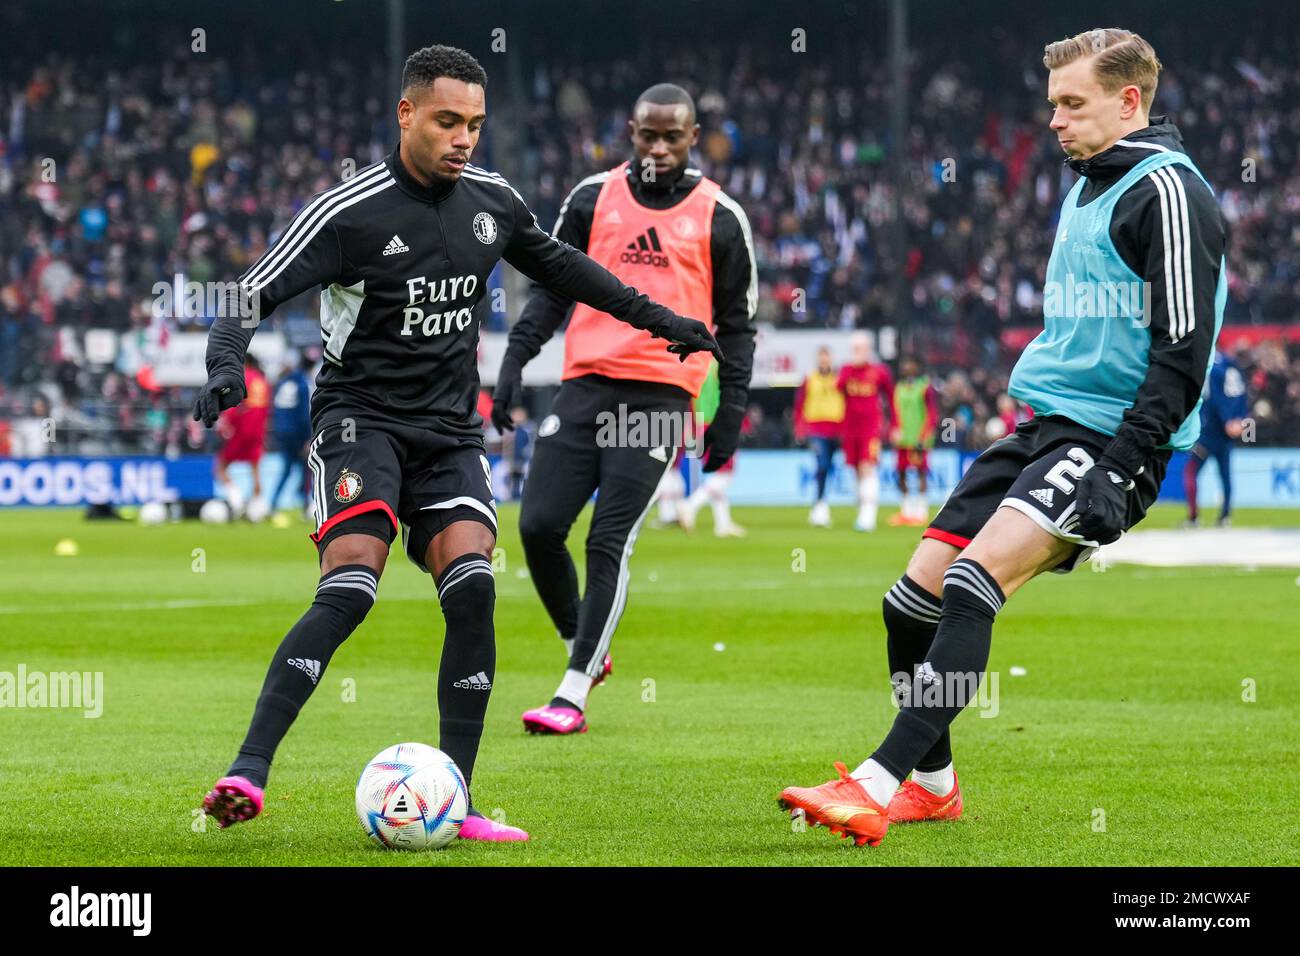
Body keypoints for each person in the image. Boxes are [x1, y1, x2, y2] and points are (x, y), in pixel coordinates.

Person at [192, 46, 721, 841]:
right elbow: (246, 292)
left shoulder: (492, 201)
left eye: (475, 123)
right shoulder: (349, 212)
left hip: (446, 431)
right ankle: (248, 770)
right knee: (351, 588)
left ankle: (460, 803)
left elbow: (571, 271)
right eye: (447, 121)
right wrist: (227, 362)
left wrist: (668, 323)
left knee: (474, 587)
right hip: (359, 421)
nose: (464, 137)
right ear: (406, 115)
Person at [778, 28, 1226, 847]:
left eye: (1071, 104)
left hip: (1112, 441)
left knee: (974, 583)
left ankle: (873, 784)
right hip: (1042, 429)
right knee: (908, 602)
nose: (1053, 120)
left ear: (1130, 102)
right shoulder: (1088, 182)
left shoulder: (1168, 194)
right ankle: (934, 789)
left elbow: (1183, 355)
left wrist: (1121, 467)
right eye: (1051, 103)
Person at [492, 82, 757, 736]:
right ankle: (585, 642)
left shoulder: (721, 215)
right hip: (583, 384)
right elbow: (551, 292)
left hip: (661, 392)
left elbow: (737, 325)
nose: (659, 147)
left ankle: (572, 692)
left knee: (609, 537)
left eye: (673, 135)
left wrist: (729, 418)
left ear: (694, 137)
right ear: (631, 133)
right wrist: (512, 360)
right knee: (537, 526)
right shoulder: (591, 198)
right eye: (648, 134)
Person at [679, 360, 747, 537]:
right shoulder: (720, 364)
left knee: (718, 473)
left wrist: (692, 428)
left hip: (702, 424)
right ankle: (690, 505)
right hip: (719, 422)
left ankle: (722, 523)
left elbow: (691, 400)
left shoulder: (695, 365)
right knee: (726, 474)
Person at [1184, 346, 1248, 527]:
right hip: (1227, 435)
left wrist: (1227, 420)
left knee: (1190, 472)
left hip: (1209, 432)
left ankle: (1194, 518)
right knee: (1225, 474)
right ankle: (1225, 516)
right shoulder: (1232, 364)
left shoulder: (1211, 364)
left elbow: (1217, 398)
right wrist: (1240, 420)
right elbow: (1243, 396)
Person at [837, 331, 894, 532]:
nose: (857, 352)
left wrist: (895, 425)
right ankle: (861, 508)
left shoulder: (879, 372)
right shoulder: (846, 370)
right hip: (850, 429)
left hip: (871, 429)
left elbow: (891, 398)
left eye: (860, 348)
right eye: (854, 348)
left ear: (868, 349)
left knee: (867, 466)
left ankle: (868, 514)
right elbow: (839, 389)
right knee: (855, 469)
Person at [215, 353, 270, 519]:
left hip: (241, 430)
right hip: (258, 430)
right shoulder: (262, 381)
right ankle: (258, 507)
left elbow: (234, 404)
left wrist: (225, 424)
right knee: (255, 469)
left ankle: (237, 504)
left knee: (221, 467)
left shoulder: (242, 378)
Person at [794, 346, 845, 528]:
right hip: (816, 429)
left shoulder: (839, 379)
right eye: (822, 359)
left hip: (836, 430)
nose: (824, 362)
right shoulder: (810, 379)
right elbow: (800, 405)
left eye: (827, 359)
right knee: (821, 465)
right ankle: (819, 506)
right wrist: (800, 428)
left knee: (829, 467)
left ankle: (820, 505)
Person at [888, 355, 940, 527]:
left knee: (920, 472)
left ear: (917, 366)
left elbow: (932, 414)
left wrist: (924, 435)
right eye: (904, 363)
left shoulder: (925, 387)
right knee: (901, 472)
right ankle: (906, 511)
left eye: (909, 363)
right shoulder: (899, 388)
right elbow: (894, 412)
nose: (906, 367)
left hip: (919, 439)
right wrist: (894, 429)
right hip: (903, 438)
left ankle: (921, 511)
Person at [270, 352, 313, 513]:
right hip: (297, 433)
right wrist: (308, 437)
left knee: (287, 469)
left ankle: (273, 504)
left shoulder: (282, 383)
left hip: (281, 432)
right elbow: (304, 413)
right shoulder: (303, 383)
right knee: (306, 469)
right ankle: (306, 506)